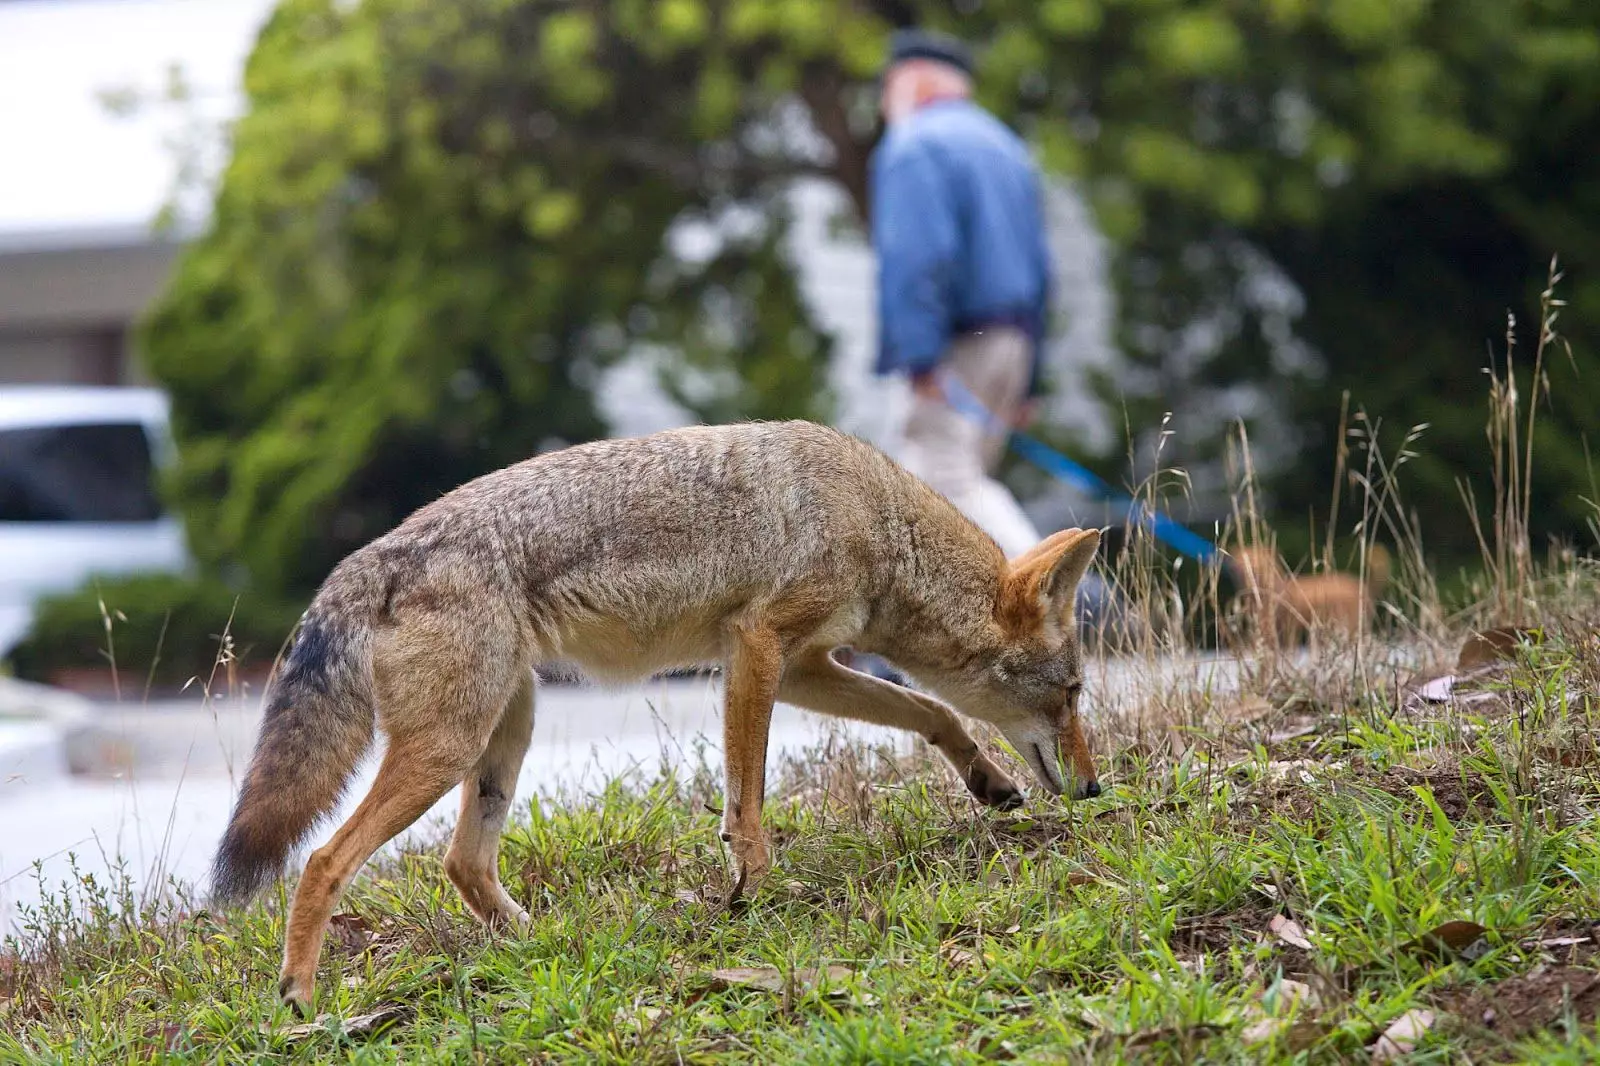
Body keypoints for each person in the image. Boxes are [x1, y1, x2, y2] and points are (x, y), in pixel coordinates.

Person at [868, 29, 1119, 646]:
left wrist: (918, 352)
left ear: (914, 83)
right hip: (1011, 341)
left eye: (887, 88)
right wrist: (1030, 375)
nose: (882, 103)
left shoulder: (914, 145)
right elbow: (1041, 264)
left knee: (940, 480)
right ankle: (975, 635)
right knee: (958, 487)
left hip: (958, 342)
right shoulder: (1005, 146)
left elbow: (916, 256)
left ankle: (1063, 593)